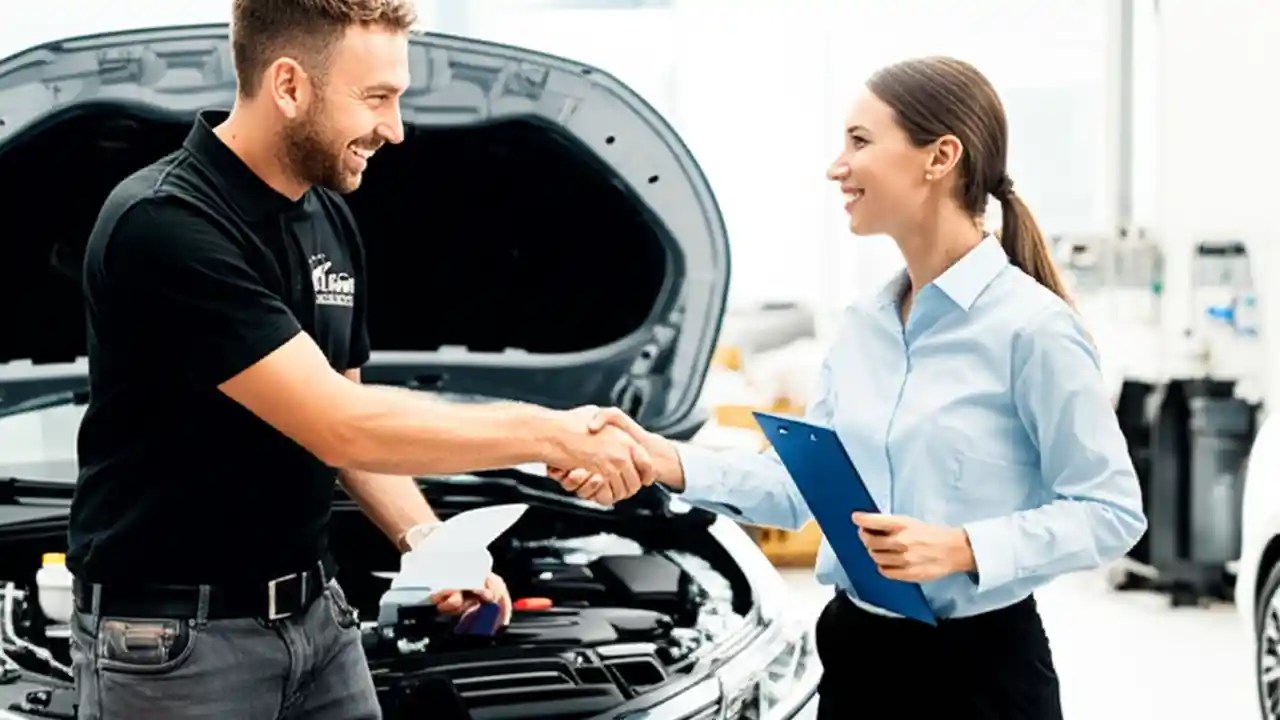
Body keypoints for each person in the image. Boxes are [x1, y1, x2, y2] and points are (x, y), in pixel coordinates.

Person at [66, 0, 653, 717]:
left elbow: (357, 427)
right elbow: (339, 424)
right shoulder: (163, 223)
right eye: (376, 97)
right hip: (177, 647)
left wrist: (431, 543)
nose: (396, 129)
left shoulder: (326, 214)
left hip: (318, 621)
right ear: (288, 85)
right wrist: (549, 433)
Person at [552, 56, 1147, 719]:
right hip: (857, 655)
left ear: (940, 156)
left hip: (979, 673)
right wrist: (665, 459)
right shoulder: (863, 324)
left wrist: (962, 547)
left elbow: (1111, 510)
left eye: (860, 141)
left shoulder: (1032, 329)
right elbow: (801, 490)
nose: (838, 166)